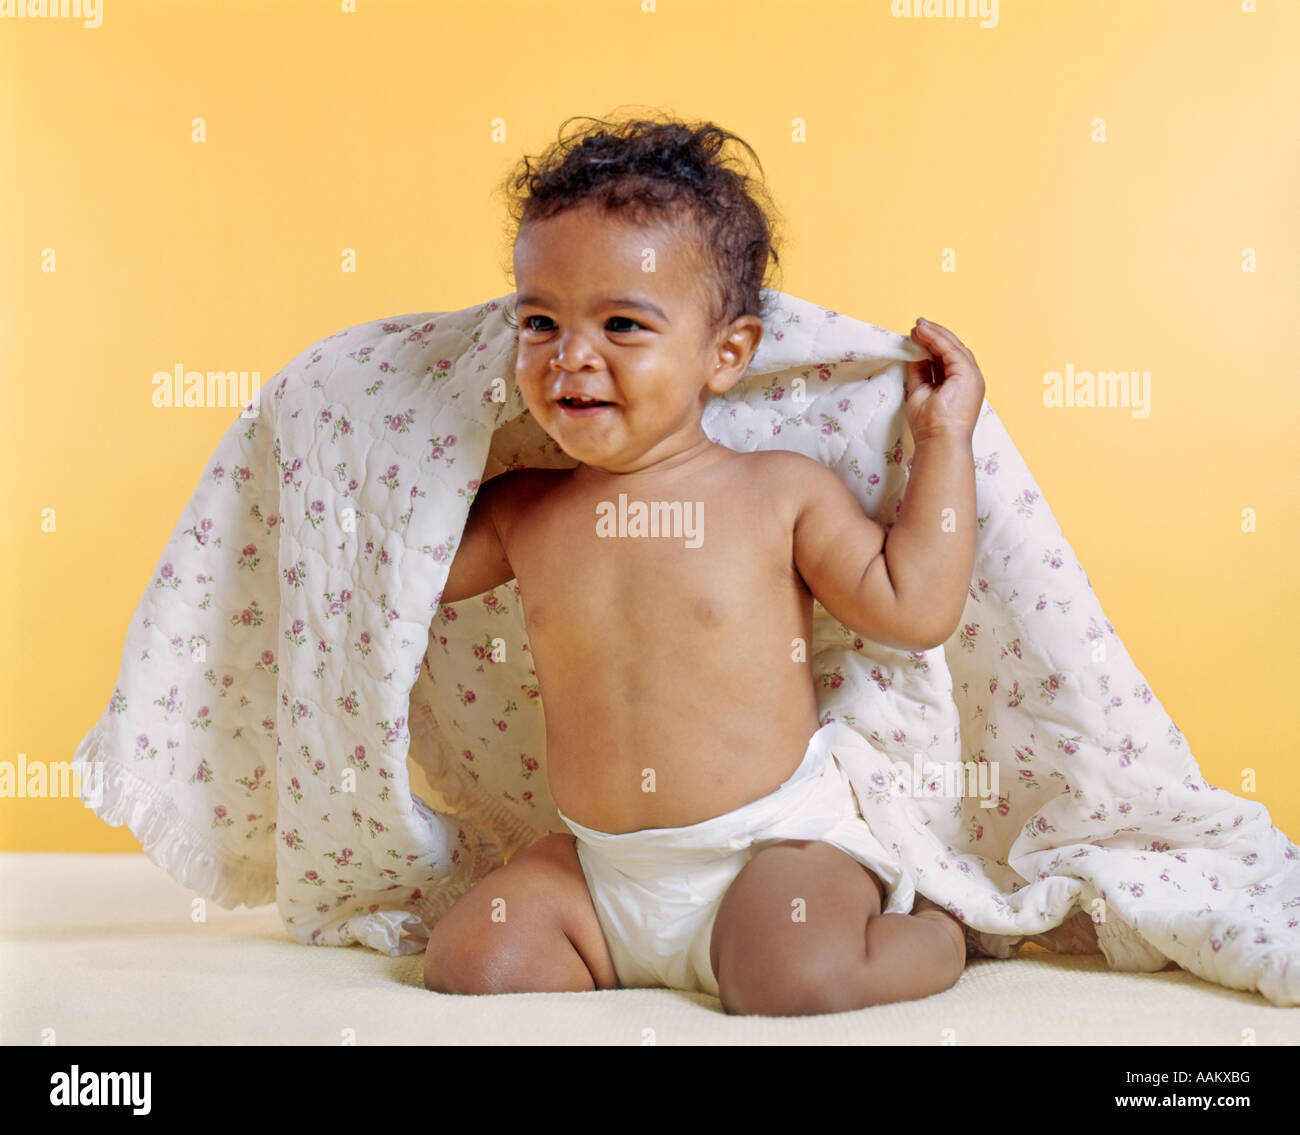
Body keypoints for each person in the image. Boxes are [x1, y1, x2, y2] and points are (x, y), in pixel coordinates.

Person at [423, 113, 985, 1016]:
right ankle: (620, 960)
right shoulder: (523, 512)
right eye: (539, 319)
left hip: (770, 853)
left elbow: (912, 606)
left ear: (726, 355)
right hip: (605, 873)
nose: (572, 354)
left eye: (621, 322)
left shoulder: (777, 494)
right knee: (470, 962)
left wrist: (944, 439)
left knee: (794, 979)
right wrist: (373, 422)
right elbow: (395, 581)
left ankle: (940, 932)